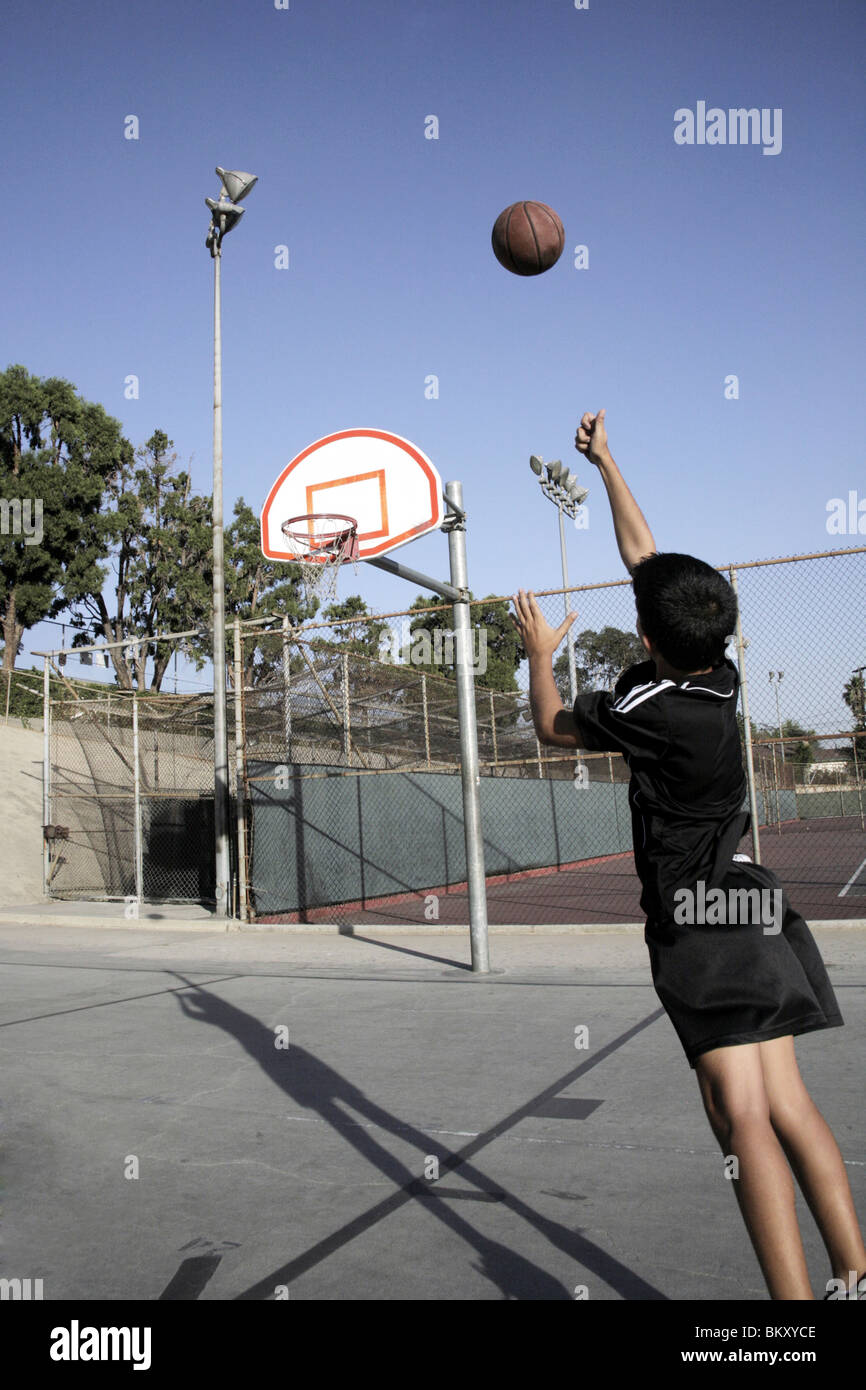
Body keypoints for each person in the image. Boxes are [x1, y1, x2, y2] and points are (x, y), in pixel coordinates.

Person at [510, 409, 866, 1301]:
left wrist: (538, 655)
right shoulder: (721, 673)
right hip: (753, 903)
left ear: (647, 638)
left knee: (738, 1116)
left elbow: (551, 728)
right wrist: (606, 464)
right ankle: (855, 1277)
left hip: (697, 919)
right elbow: (648, 562)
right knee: (787, 1104)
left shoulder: (644, 704)